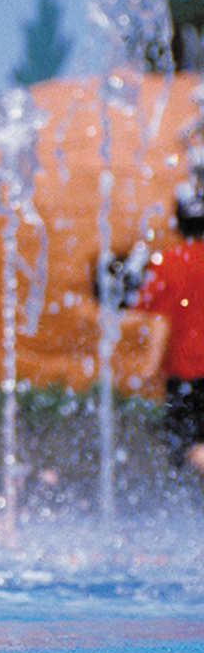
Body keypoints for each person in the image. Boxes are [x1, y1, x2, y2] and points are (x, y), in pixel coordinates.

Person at [127, 182, 204, 479]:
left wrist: (150, 365)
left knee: (189, 442)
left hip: (189, 371)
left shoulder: (169, 261)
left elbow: (161, 318)